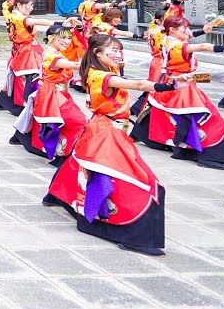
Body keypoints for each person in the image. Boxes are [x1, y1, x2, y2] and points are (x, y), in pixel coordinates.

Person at [45, 34, 182, 256]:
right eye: (113, 50)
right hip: (106, 132)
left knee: (83, 166)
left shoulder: (102, 70)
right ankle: (134, 234)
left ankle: (56, 195)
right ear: (97, 53)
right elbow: (138, 84)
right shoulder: (102, 76)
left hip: (104, 128)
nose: (118, 54)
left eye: (119, 50)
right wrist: (170, 85)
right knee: (143, 182)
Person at [131, 15, 224, 169]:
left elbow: (189, 37)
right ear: (172, 29)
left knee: (162, 110)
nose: (187, 31)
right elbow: (202, 46)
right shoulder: (178, 46)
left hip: (169, 77)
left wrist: (203, 30)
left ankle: (149, 136)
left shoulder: (164, 37)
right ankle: (206, 155)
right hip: (181, 83)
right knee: (210, 119)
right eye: (184, 28)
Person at [11, 24, 87, 165]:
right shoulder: (53, 56)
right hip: (53, 94)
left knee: (49, 121)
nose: (67, 41)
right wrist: (97, 62)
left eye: (69, 38)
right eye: (62, 38)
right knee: (78, 121)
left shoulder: (50, 51)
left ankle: (29, 140)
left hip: (52, 92)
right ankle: (64, 153)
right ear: (51, 37)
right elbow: (76, 66)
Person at [0, 0, 56, 116]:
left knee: (18, 76)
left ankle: (3, 102)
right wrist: (58, 23)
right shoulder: (21, 19)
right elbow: (38, 21)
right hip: (27, 51)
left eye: (32, 6)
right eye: (29, 5)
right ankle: (23, 105)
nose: (31, 8)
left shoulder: (9, 15)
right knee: (30, 77)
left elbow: (5, 5)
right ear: (19, 5)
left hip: (19, 49)